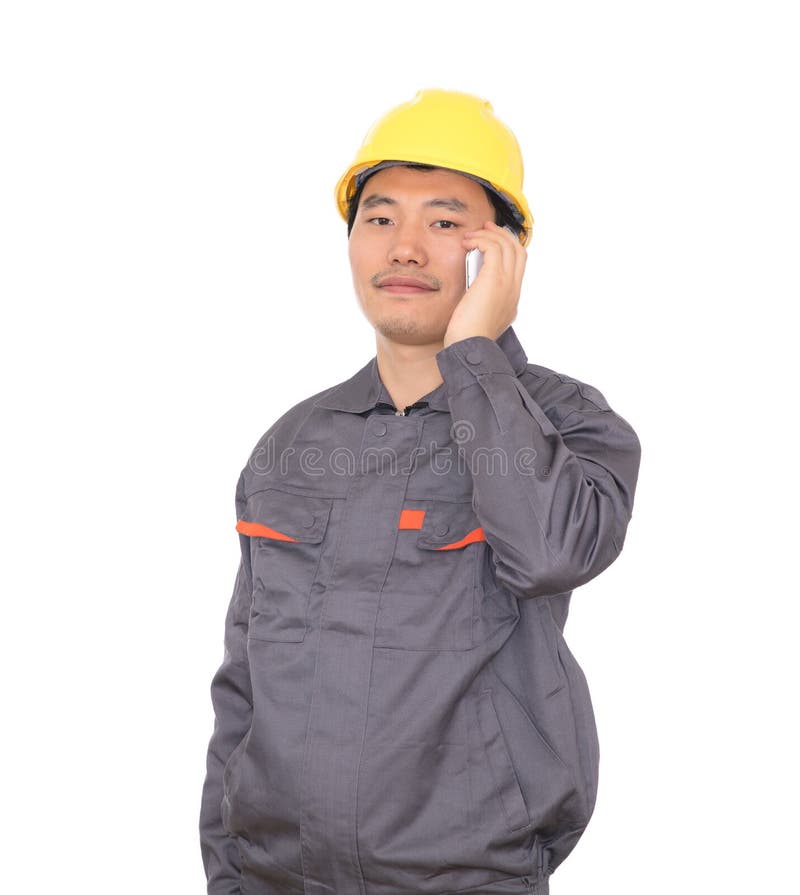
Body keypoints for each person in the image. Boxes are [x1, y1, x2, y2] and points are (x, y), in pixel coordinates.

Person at [199, 88, 642, 895]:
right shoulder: (295, 443)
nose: (404, 248)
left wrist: (474, 353)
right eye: (379, 218)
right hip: (277, 878)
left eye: (443, 222)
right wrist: (227, 875)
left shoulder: (569, 422)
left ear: (502, 253)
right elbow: (243, 687)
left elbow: (550, 552)